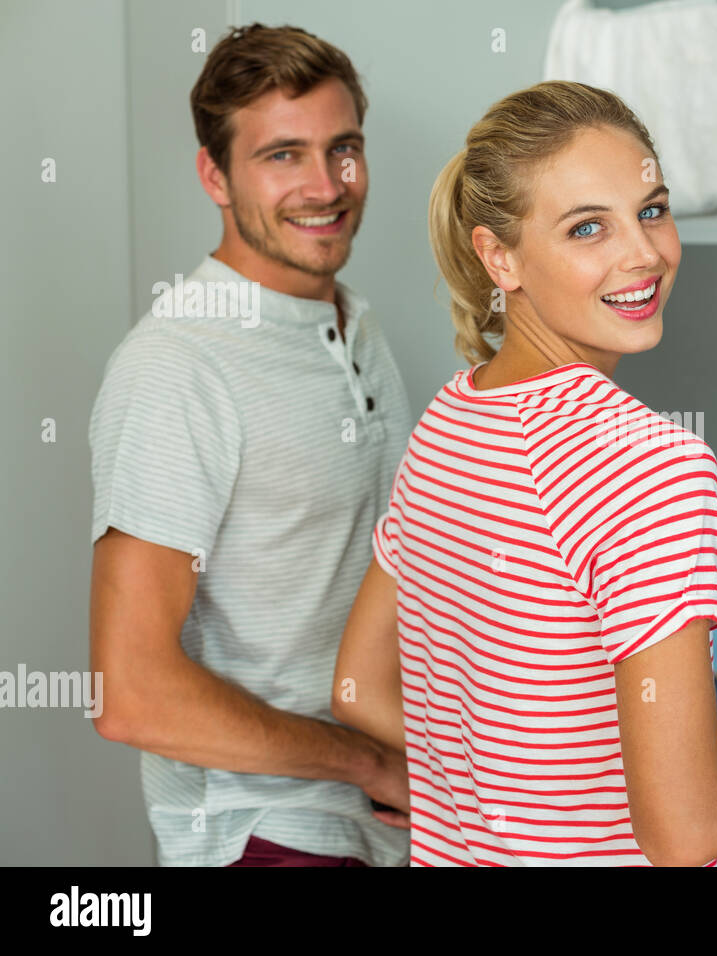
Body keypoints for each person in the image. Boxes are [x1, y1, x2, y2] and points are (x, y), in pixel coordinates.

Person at [332, 80, 717, 867]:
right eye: (586, 228)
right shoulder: (648, 465)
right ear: (497, 256)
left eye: (650, 209)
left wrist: (507, 772)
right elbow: (684, 832)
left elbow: (359, 689)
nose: (643, 253)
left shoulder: (452, 419)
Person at [88, 23, 412, 867]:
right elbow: (134, 694)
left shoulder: (356, 321)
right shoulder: (179, 365)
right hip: (265, 839)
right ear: (215, 175)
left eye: (343, 148)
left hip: (385, 832)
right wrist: (372, 762)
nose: (324, 184)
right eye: (282, 156)